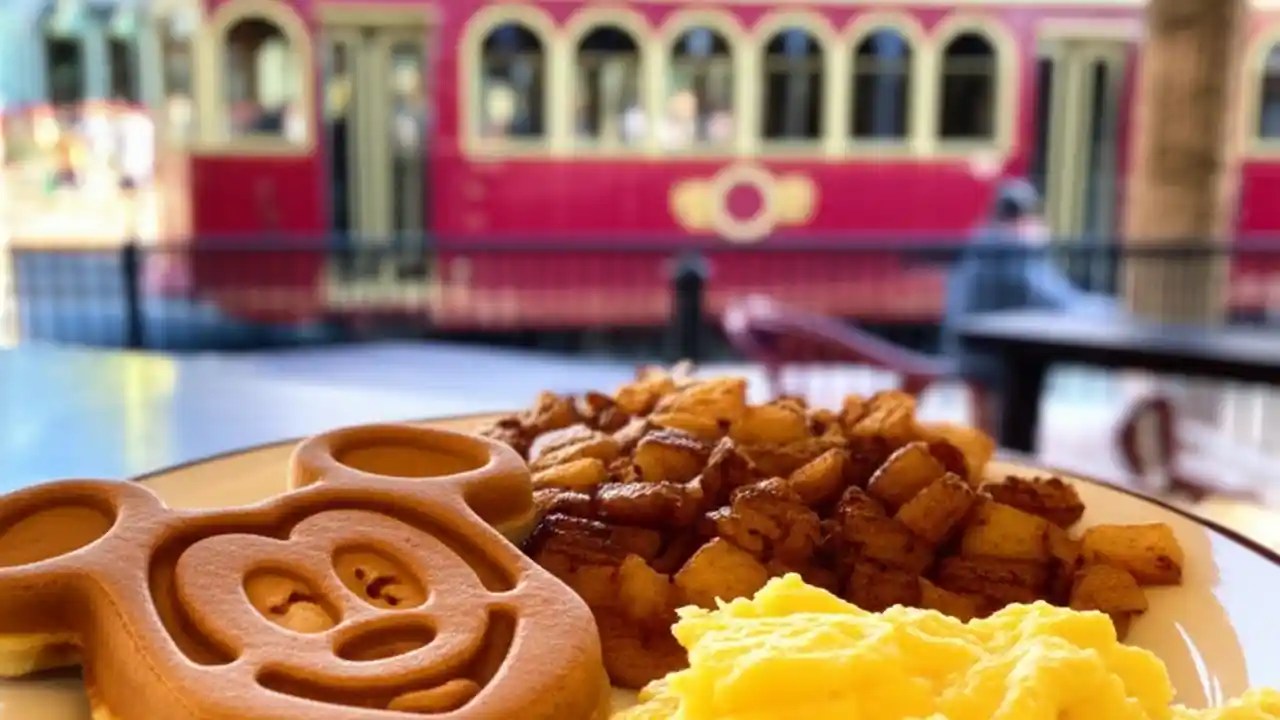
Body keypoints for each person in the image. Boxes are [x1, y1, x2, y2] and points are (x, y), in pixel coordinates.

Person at [940, 178, 1117, 432]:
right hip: (999, 363)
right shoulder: (1016, 250)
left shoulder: (980, 245)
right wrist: (1111, 308)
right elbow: (1057, 300)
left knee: (984, 427)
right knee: (1003, 425)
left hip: (970, 357)